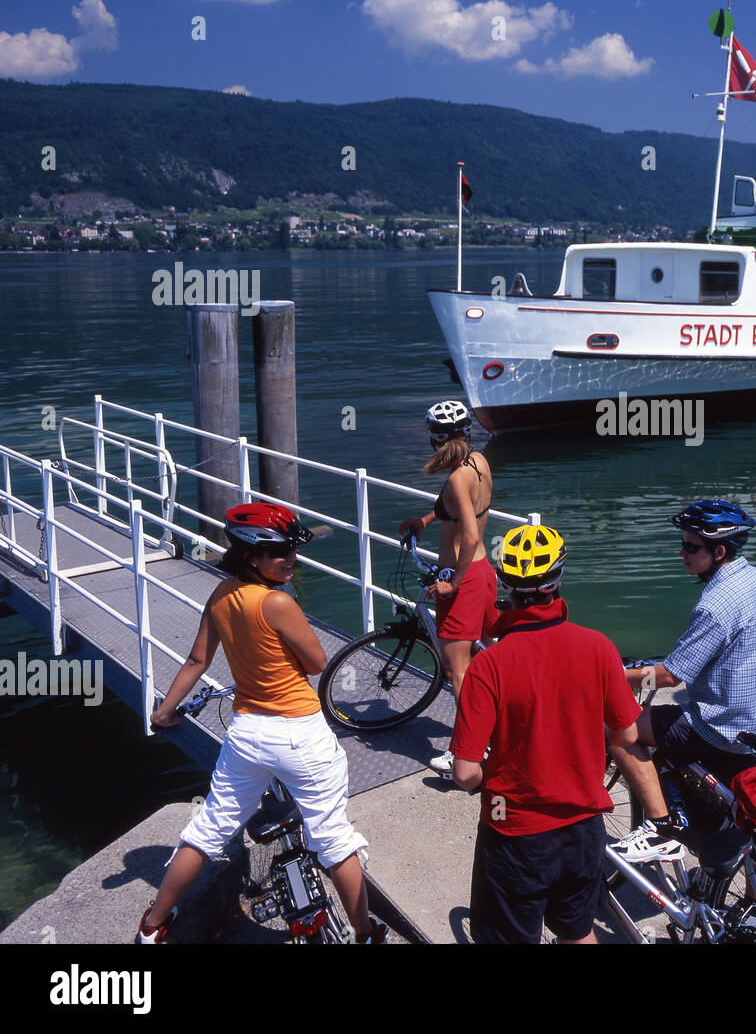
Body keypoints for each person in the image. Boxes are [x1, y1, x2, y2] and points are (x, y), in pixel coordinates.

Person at [139, 503, 384, 943]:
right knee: (332, 837)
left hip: (248, 733)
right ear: (251, 556)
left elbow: (198, 659)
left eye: (291, 549)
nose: (289, 559)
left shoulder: (220, 596)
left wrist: (165, 711)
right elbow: (317, 662)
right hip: (299, 735)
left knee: (210, 828)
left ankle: (153, 925)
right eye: (278, 553)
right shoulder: (277, 601)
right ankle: (364, 934)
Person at [450, 525, 641, 944]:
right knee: (577, 930)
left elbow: (464, 772)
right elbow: (627, 734)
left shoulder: (489, 665)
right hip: (583, 831)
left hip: (513, 829)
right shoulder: (598, 647)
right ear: (559, 580)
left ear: (506, 586)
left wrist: (488, 775)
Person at [609, 500, 756, 864]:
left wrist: (611, 674)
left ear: (719, 551)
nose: (681, 553)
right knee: (753, 829)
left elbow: (672, 675)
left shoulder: (715, 604)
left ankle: (658, 828)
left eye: (691, 547)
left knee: (620, 727)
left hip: (722, 729)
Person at [397, 401, 498, 775]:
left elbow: (468, 535)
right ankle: (492, 733)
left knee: (460, 673)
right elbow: (463, 508)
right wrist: (425, 519)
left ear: (434, 439)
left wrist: (450, 583)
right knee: (484, 658)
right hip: (484, 571)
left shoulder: (457, 476)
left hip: (464, 577)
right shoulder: (478, 463)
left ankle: (469, 752)